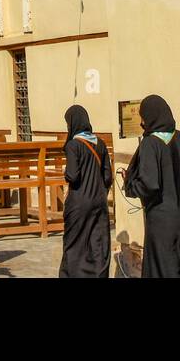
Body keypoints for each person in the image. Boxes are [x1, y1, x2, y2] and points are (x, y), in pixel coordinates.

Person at [119, 94, 180, 278]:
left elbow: (149, 184)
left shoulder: (150, 143)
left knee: (164, 269)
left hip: (163, 222)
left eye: (143, 116)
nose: (141, 122)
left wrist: (130, 185)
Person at [59, 104, 113, 278]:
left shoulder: (73, 145)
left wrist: (65, 172)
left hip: (79, 202)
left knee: (75, 244)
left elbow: (73, 176)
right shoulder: (101, 144)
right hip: (100, 202)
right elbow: (107, 177)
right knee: (98, 245)